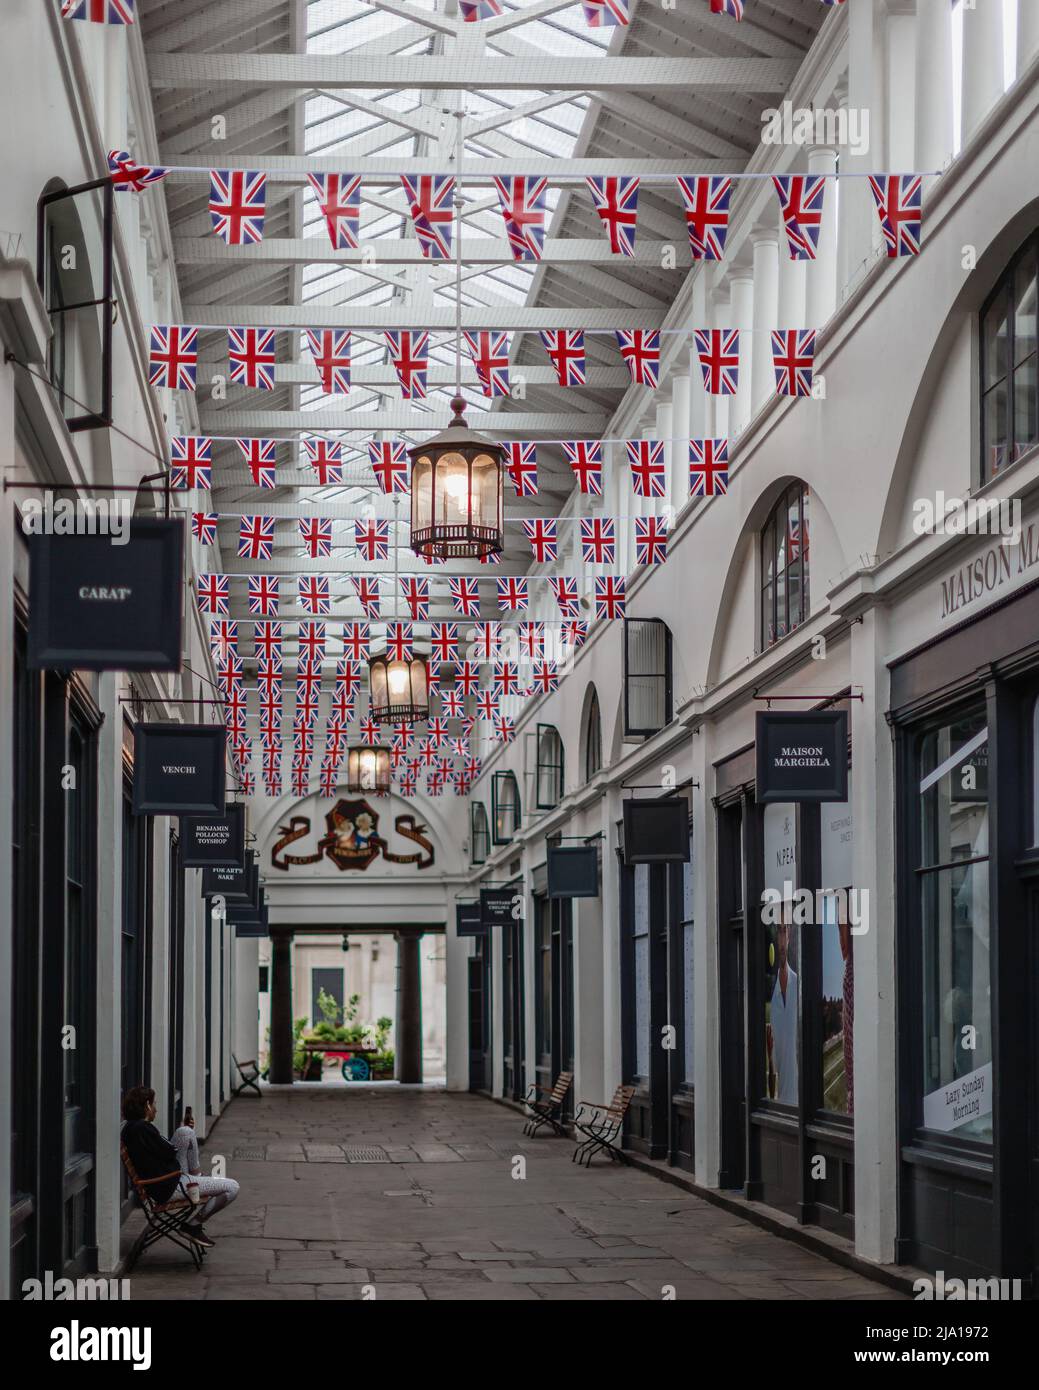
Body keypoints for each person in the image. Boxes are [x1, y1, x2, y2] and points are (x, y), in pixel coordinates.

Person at [121, 1088, 239, 1249]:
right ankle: (193, 1225)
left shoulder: (134, 1128)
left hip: (167, 1179)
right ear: (147, 1106)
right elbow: (168, 1151)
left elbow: (165, 1150)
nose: (156, 1108)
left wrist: (183, 1131)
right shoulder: (144, 1129)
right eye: (154, 1104)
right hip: (169, 1186)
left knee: (185, 1132)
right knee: (232, 1187)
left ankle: (197, 1175)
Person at [767, 913, 799, 1106]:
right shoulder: (774, 1002)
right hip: (783, 1107)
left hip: (803, 1108)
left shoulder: (799, 986)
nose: (780, 939)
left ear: (789, 936)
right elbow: (773, 1074)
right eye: (778, 931)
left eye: (784, 930)